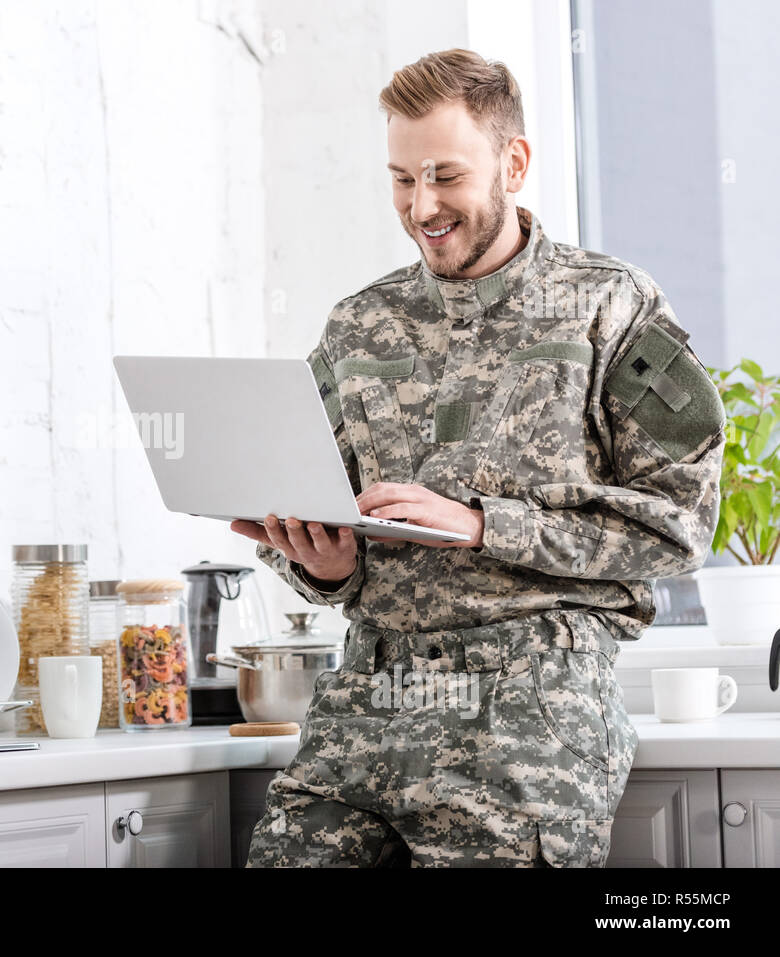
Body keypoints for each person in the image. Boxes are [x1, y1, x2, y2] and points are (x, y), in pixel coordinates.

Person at [232, 49, 725, 867]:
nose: (421, 205)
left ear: (514, 163)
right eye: (400, 179)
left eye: (444, 176)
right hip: (363, 702)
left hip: (527, 713)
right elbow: (308, 507)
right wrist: (322, 566)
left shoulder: (609, 305)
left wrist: (480, 525)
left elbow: (678, 526)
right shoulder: (357, 327)